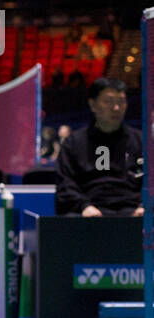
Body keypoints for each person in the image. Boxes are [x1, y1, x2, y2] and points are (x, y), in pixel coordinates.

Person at [55, 78, 144, 217]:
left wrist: (144, 206)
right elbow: (65, 185)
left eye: (121, 101)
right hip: (88, 214)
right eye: (108, 101)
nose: (116, 108)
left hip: (133, 213)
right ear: (93, 105)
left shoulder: (142, 142)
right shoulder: (73, 143)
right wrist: (84, 206)